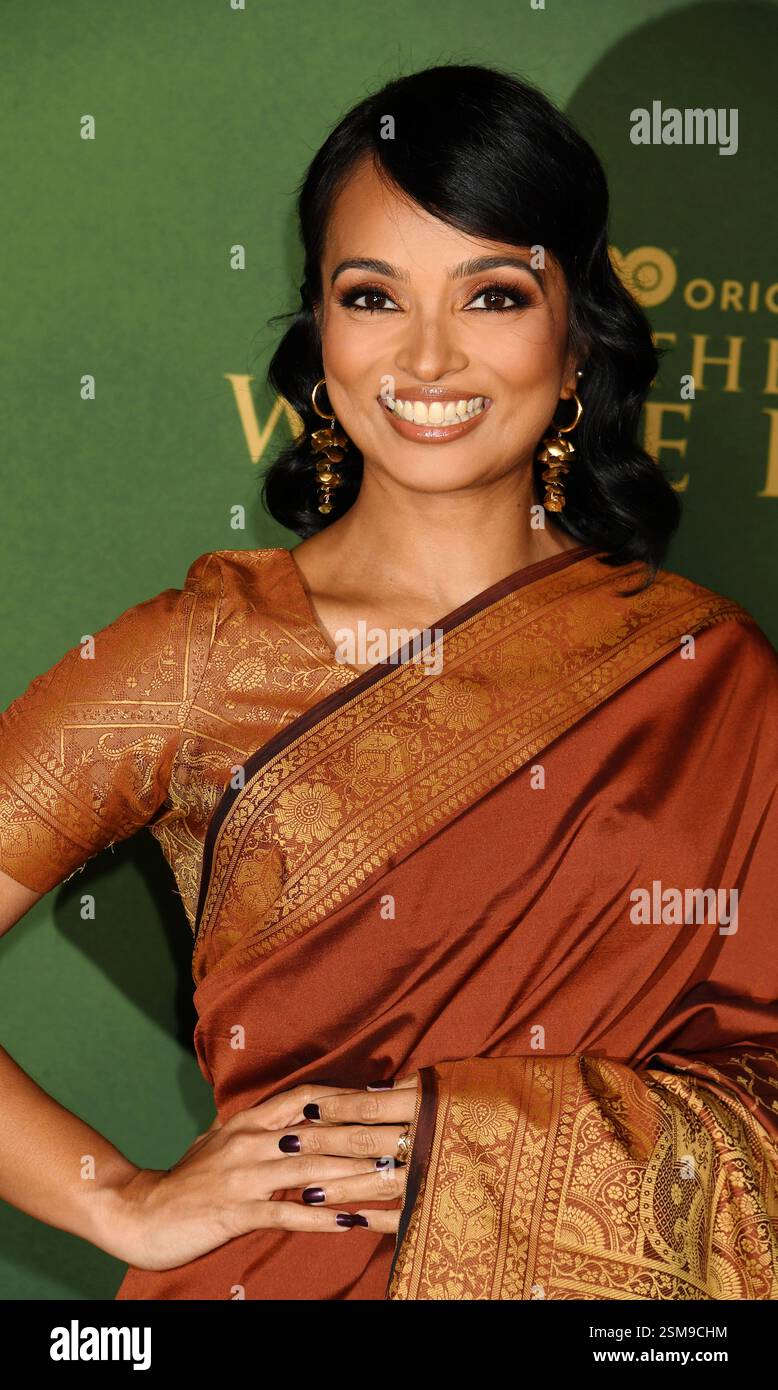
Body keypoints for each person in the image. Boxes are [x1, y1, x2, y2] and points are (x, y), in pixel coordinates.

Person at [0, 64, 776, 1302]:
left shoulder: (708, 674)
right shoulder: (203, 655)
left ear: (574, 333)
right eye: (373, 295)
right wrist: (124, 1202)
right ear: (320, 331)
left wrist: (485, 1148)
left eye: (493, 293)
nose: (425, 354)